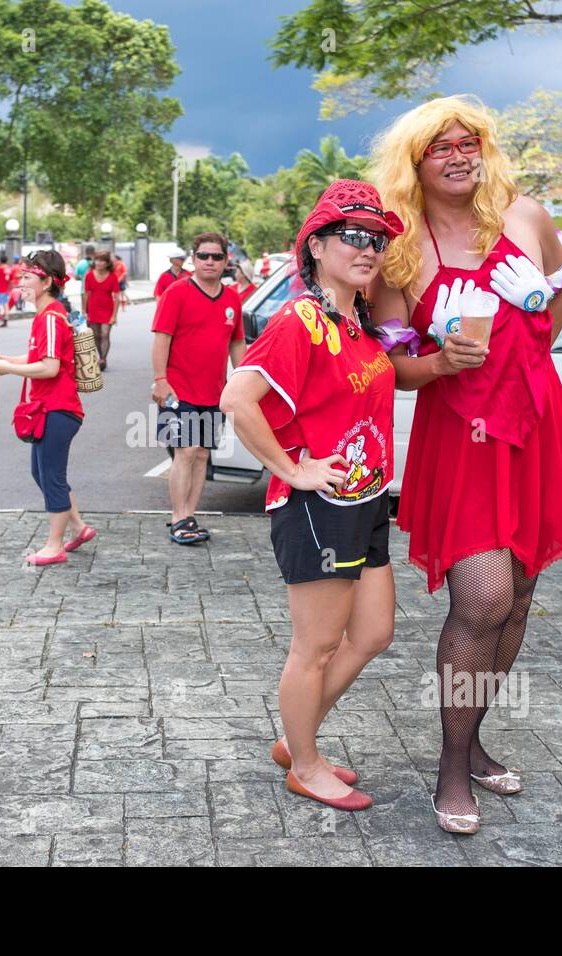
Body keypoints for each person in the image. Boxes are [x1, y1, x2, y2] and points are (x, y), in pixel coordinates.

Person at [369, 95, 562, 833]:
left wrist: (532, 353)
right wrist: (442, 363)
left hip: (534, 424)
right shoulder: (399, 246)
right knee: (484, 598)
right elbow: (394, 365)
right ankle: (451, 767)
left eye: (471, 143)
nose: (460, 156)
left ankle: (476, 739)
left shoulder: (524, 216)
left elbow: (561, 287)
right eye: (442, 147)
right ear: (417, 162)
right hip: (461, 433)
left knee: (520, 596)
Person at [220, 180, 403, 812]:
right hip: (317, 508)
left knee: (374, 632)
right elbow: (237, 400)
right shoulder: (300, 319)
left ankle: (298, 739)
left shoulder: (357, 320)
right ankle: (304, 762)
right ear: (317, 245)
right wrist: (291, 470)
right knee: (317, 645)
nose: (368, 247)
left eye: (376, 238)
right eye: (353, 235)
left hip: (367, 501)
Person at [0, 250, 94, 565]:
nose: (21, 284)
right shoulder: (48, 315)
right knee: (42, 473)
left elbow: (48, 368)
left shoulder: (52, 318)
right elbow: (35, 359)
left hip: (58, 409)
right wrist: (2, 358)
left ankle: (54, 545)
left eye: (26, 278)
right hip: (49, 408)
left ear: (46, 282)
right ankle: (79, 528)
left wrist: (7, 370)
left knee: (52, 477)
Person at [151, 232, 247, 545]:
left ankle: (189, 515)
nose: (209, 261)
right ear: (193, 258)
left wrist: (243, 379)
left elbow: (237, 342)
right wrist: (160, 380)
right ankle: (179, 517)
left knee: (203, 454)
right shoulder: (176, 293)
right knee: (186, 450)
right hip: (178, 390)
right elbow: (161, 338)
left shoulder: (232, 298)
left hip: (214, 392)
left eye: (216, 257)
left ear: (225, 260)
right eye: (203, 256)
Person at [82, 251, 118, 370]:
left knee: (105, 333)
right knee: (96, 335)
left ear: (107, 263)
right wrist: (84, 311)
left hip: (107, 310)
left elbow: (116, 297)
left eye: (102, 260)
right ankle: (101, 357)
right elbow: (86, 294)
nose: (98, 262)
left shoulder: (113, 277)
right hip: (93, 309)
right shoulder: (89, 275)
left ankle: (103, 359)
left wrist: (114, 315)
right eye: (97, 260)